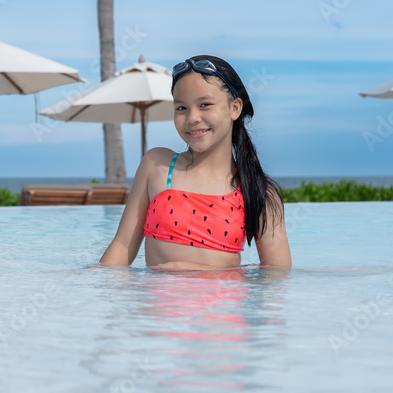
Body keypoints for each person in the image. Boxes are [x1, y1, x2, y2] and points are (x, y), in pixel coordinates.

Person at [99, 55, 291, 270]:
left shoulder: (257, 190)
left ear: (235, 108)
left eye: (205, 105)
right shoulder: (157, 165)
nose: (192, 118)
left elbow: (276, 273)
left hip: (224, 293)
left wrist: (204, 272)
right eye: (181, 108)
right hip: (158, 293)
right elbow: (122, 245)